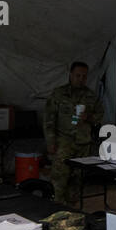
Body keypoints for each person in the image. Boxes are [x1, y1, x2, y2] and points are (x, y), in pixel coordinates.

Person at [45, 61, 102, 208]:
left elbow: (99, 117)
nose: (81, 79)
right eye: (78, 75)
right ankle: (55, 210)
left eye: (84, 76)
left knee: (77, 180)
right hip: (63, 142)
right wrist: (50, 142)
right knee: (59, 180)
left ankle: (71, 211)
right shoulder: (58, 94)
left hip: (83, 144)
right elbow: (49, 120)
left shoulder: (91, 96)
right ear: (70, 75)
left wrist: (88, 117)